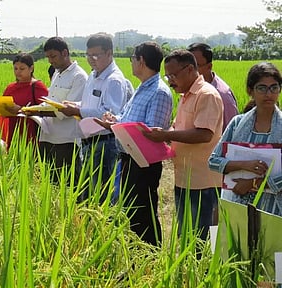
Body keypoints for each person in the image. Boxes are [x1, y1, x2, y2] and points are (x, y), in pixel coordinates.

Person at [143, 49, 223, 240]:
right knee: (186, 235)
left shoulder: (206, 95)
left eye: (173, 75)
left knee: (201, 238)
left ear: (189, 70)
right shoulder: (185, 95)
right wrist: (163, 134)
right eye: (167, 75)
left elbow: (204, 134)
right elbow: (178, 127)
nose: (170, 80)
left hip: (203, 182)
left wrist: (165, 136)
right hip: (184, 178)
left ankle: (203, 270)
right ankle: (188, 269)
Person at [99, 42, 173, 246]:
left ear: (141, 60)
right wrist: (114, 120)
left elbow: (152, 131)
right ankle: (136, 259)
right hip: (128, 158)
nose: (131, 62)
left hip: (143, 162)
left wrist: (122, 126)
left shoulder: (159, 91)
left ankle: (149, 258)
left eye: (133, 58)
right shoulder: (143, 87)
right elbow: (127, 117)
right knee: (132, 213)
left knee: (143, 214)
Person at [59, 32, 134, 204]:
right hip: (89, 142)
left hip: (105, 143)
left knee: (103, 195)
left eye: (95, 55)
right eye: (88, 55)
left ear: (109, 53)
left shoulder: (114, 80)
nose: (91, 59)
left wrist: (78, 111)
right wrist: (76, 105)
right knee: (90, 193)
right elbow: (89, 104)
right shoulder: (93, 75)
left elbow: (110, 114)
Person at [208, 62, 282, 216]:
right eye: (262, 88)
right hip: (238, 205)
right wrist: (244, 165)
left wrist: (255, 184)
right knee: (238, 240)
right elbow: (213, 161)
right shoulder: (237, 124)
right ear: (250, 91)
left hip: (275, 209)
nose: (269, 94)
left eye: (274, 87)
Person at [33, 37, 88, 184]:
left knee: (67, 185)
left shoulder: (79, 77)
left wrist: (37, 112)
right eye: (48, 57)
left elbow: (66, 110)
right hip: (48, 136)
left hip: (66, 140)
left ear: (65, 53)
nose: (50, 61)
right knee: (49, 183)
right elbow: (51, 101)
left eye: (53, 56)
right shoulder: (57, 74)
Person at [0, 53, 48, 150]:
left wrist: (21, 109)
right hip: (13, 129)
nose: (18, 72)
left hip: (31, 131)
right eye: (15, 68)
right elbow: (3, 107)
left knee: (31, 159)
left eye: (22, 69)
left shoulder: (37, 86)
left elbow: (46, 110)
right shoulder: (10, 88)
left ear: (31, 68)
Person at [188, 43, 238, 130]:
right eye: (187, 67)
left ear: (209, 66)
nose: (190, 71)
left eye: (196, 66)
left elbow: (232, 130)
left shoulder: (222, 95)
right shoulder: (189, 89)